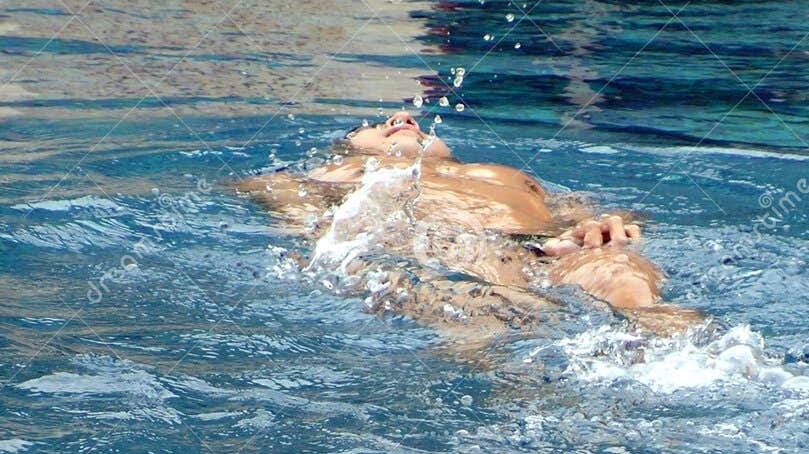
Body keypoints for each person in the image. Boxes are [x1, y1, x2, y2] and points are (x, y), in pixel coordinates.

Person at [236, 109, 696, 336]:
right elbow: (301, 226)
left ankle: (691, 361)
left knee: (626, 280)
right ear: (347, 148)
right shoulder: (329, 176)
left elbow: (601, 216)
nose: (402, 119)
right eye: (378, 124)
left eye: (412, 121)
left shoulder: (512, 177)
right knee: (500, 320)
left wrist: (608, 231)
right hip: (437, 250)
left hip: (544, 251)